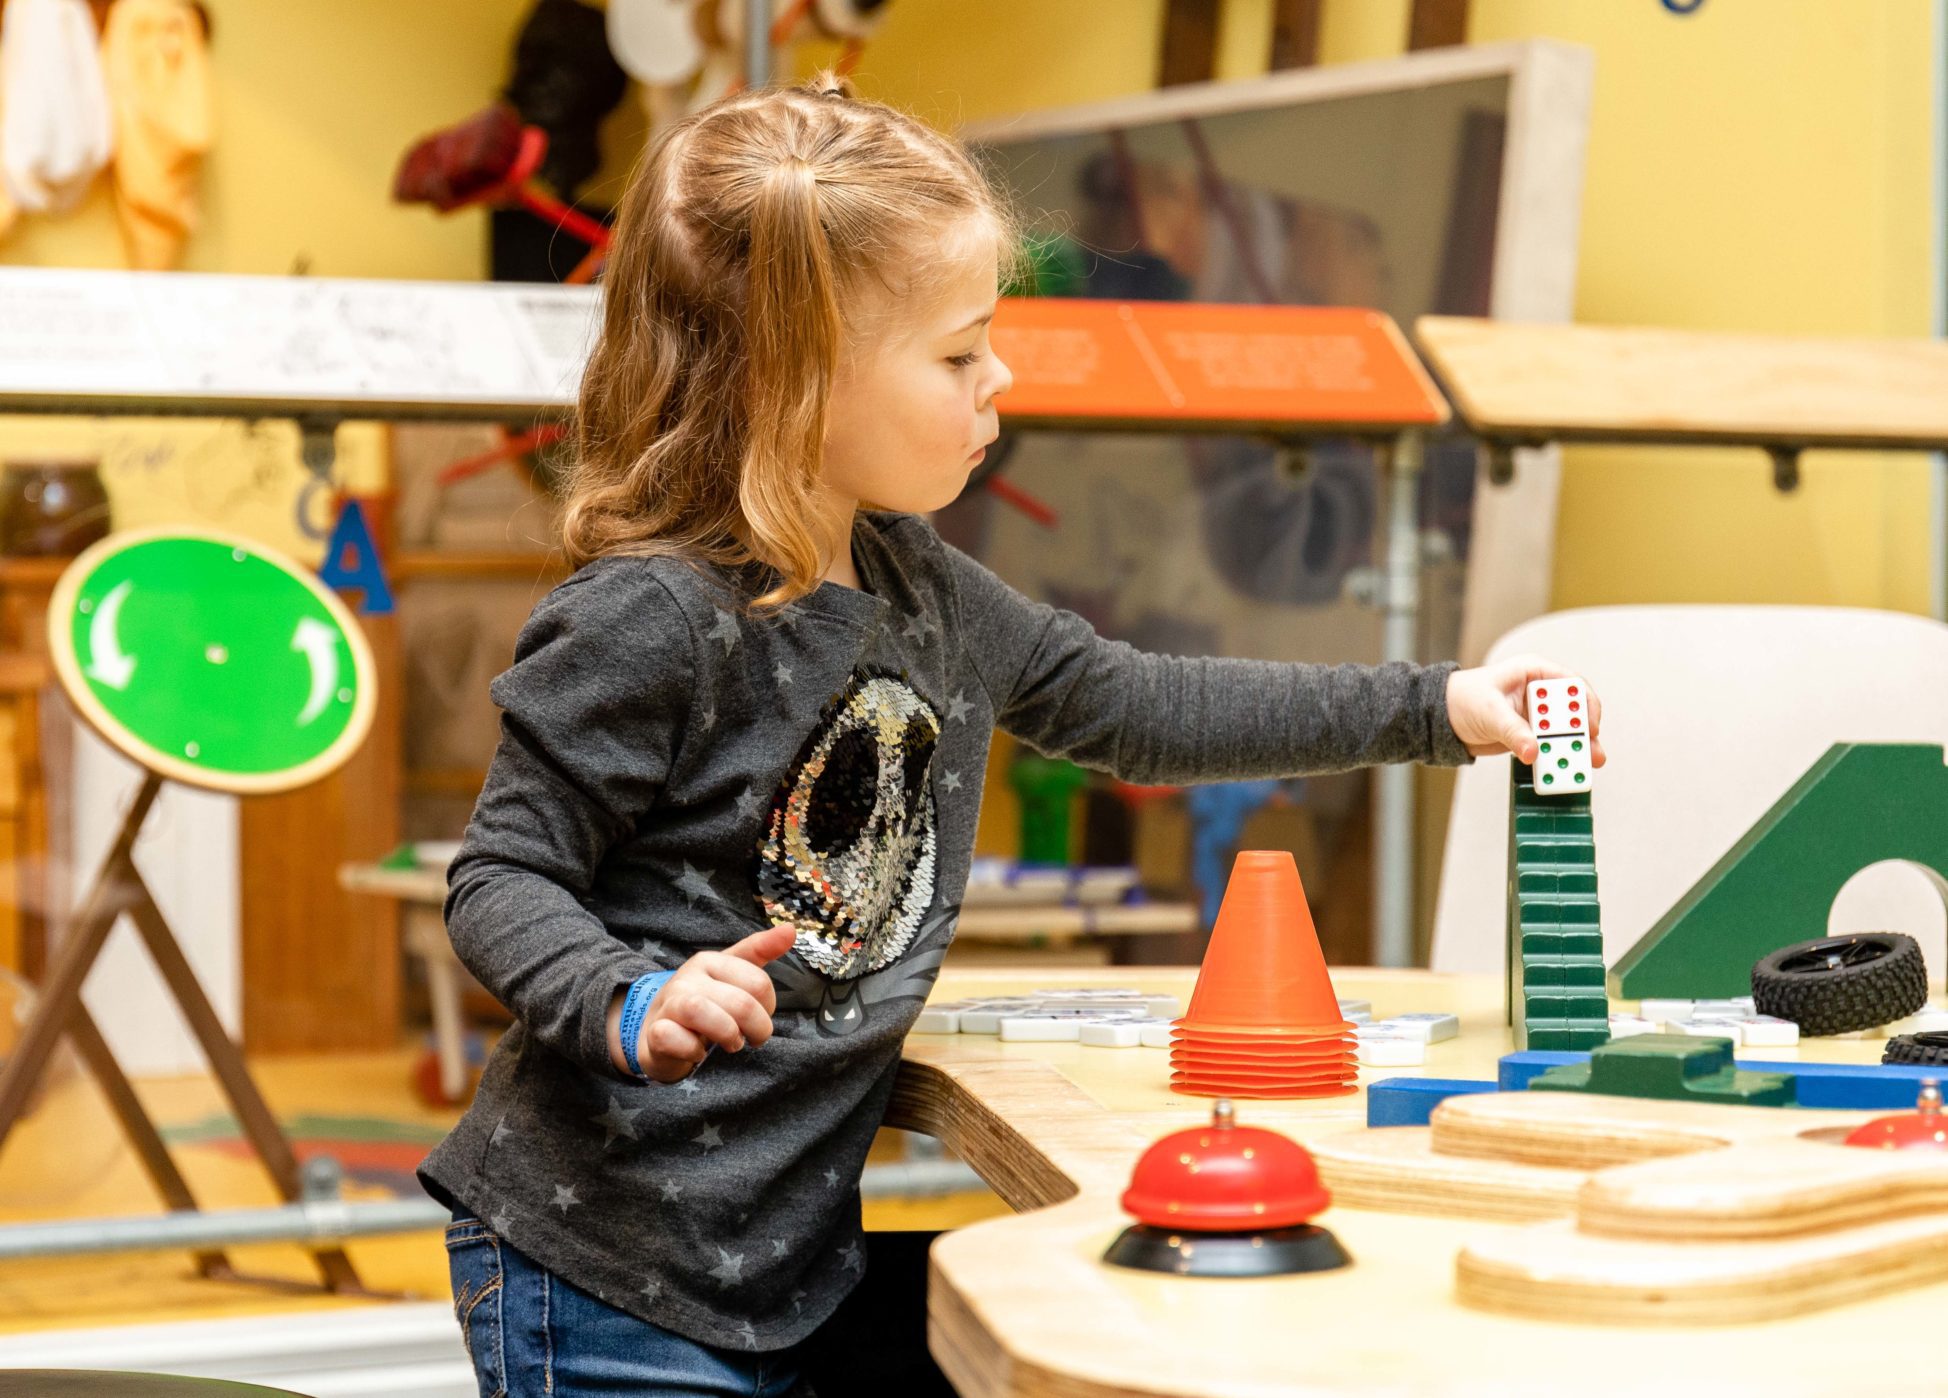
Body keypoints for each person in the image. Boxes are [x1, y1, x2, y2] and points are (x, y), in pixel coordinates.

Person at [417, 72, 1605, 1398]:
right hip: (598, 1269)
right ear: (800, 379)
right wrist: (633, 998)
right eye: (959, 353)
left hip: (782, 1266)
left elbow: (1141, 708)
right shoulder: (651, 614)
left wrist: (1438, 706)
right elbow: (502, 877)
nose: (1003, 380)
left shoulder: (918, 585)